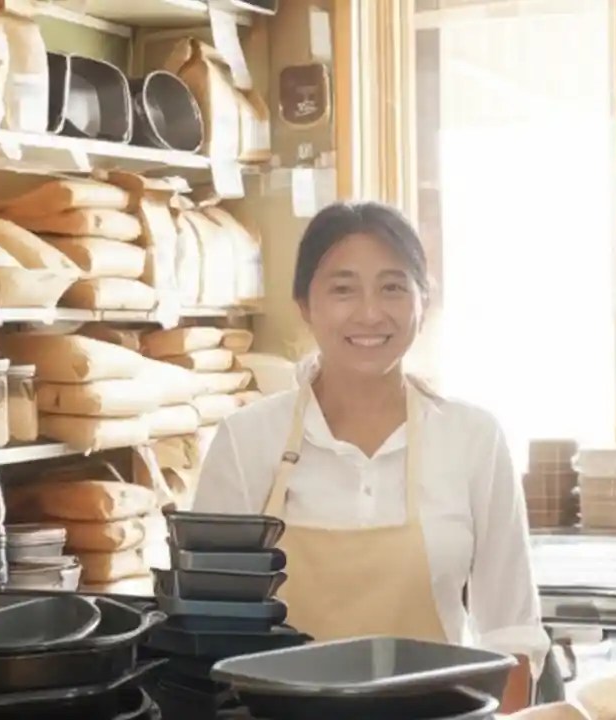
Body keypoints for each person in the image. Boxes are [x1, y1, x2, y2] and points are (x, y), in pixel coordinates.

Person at [193, 201, 550, 712]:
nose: (369, 313)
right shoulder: (247, 440)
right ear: (303, 303)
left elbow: (511, 632)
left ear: (423, 301)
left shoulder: (472, 438)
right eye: (342, 288)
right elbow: (210, 630)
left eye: (393, 287)